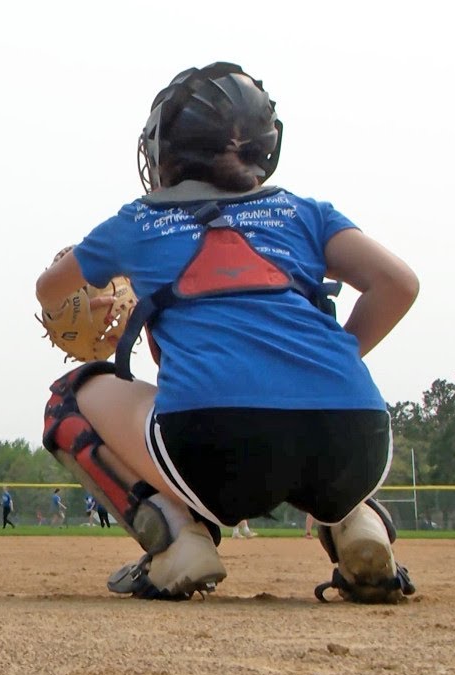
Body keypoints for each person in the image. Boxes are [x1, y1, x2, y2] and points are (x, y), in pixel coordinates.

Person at [36, 62, 419, 603]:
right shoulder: (305, 212)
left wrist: (119, 284)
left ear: (164, 152)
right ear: (265, 146)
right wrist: (336, 357)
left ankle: (177, 541)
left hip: (213, 447)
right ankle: (358, 523)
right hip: (354, 441)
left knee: (66, 399)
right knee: (316, 422)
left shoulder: (136, 221)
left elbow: (50, 289)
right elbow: (398, 284)